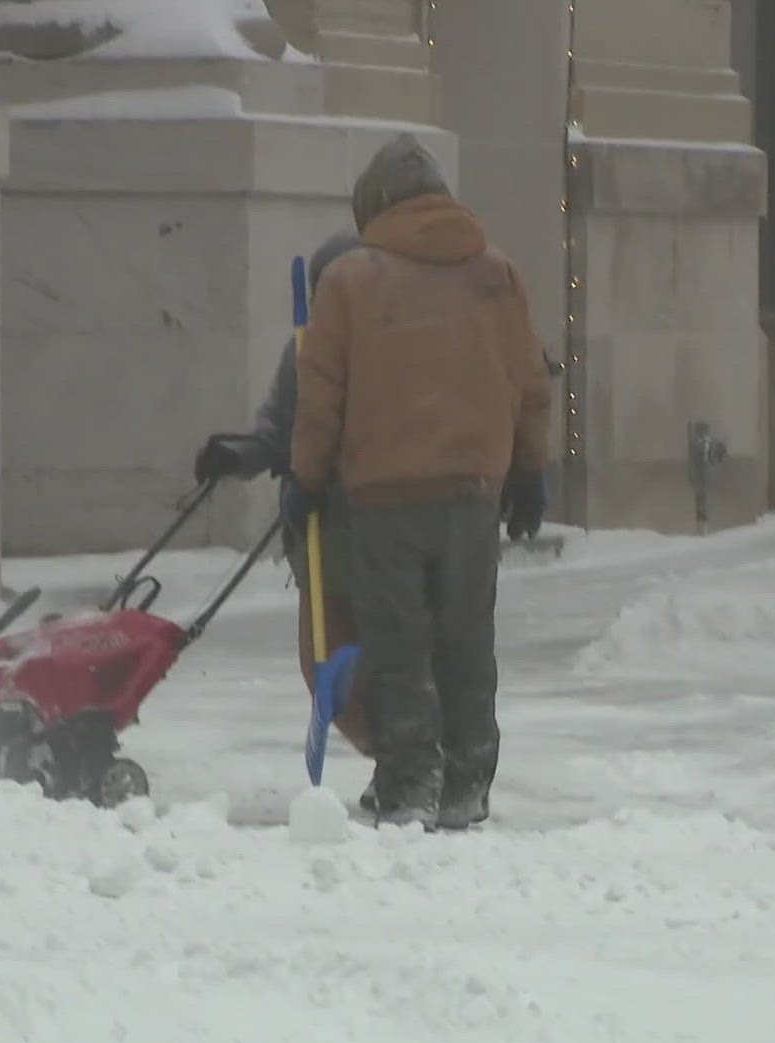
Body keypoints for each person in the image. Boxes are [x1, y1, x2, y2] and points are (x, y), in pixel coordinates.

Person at [288, 133, 552, 830]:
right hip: (472, 496)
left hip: (384, 500)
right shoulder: (497, 274)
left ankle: (411, 781)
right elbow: (530, 381)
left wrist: (307, 478)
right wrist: (530, 470)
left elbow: (322, 395)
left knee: (397, 648)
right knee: (467, 641)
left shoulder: (351, 280)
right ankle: (469, 781)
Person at [191, 232, 380, 805]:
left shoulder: (395, 354)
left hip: (380, 538)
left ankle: (402, 762)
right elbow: (277, 430)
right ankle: (387, 754)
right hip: (319, 546)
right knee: (325, 668)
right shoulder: (302, 352)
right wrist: (240, 454)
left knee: (389, 667)